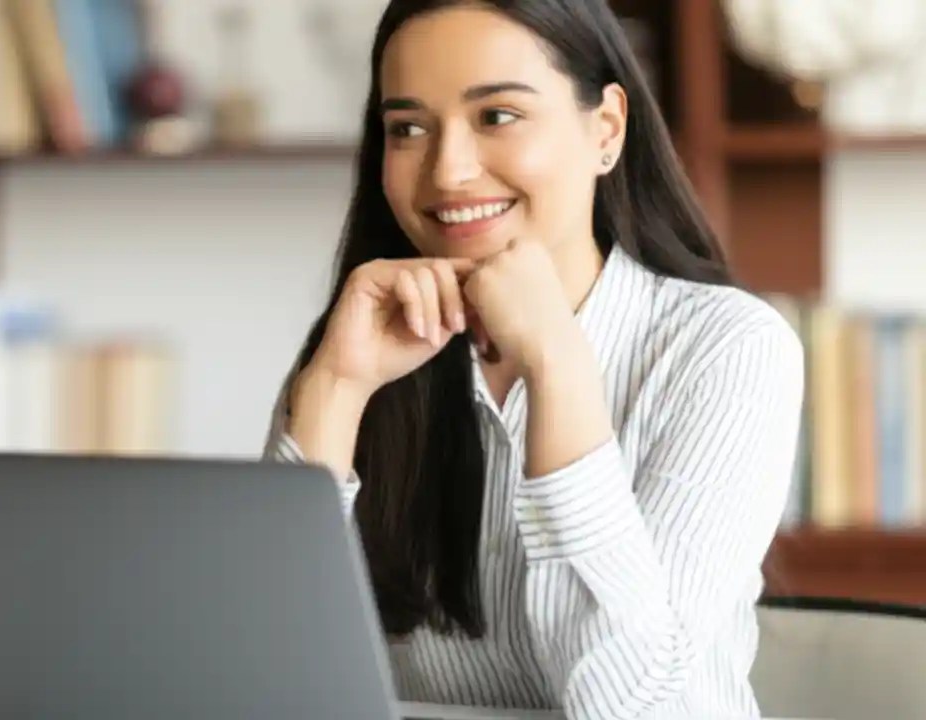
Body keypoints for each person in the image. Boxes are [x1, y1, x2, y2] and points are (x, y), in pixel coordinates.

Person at [261, 1, 804, 718]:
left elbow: (635, 708)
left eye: (497, 117)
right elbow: (263, 679)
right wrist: (334, 389)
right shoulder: (358, 351)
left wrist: (557, 367)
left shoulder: (727, 347)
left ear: (605, 128)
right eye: (409, 129)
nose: (448, 171)